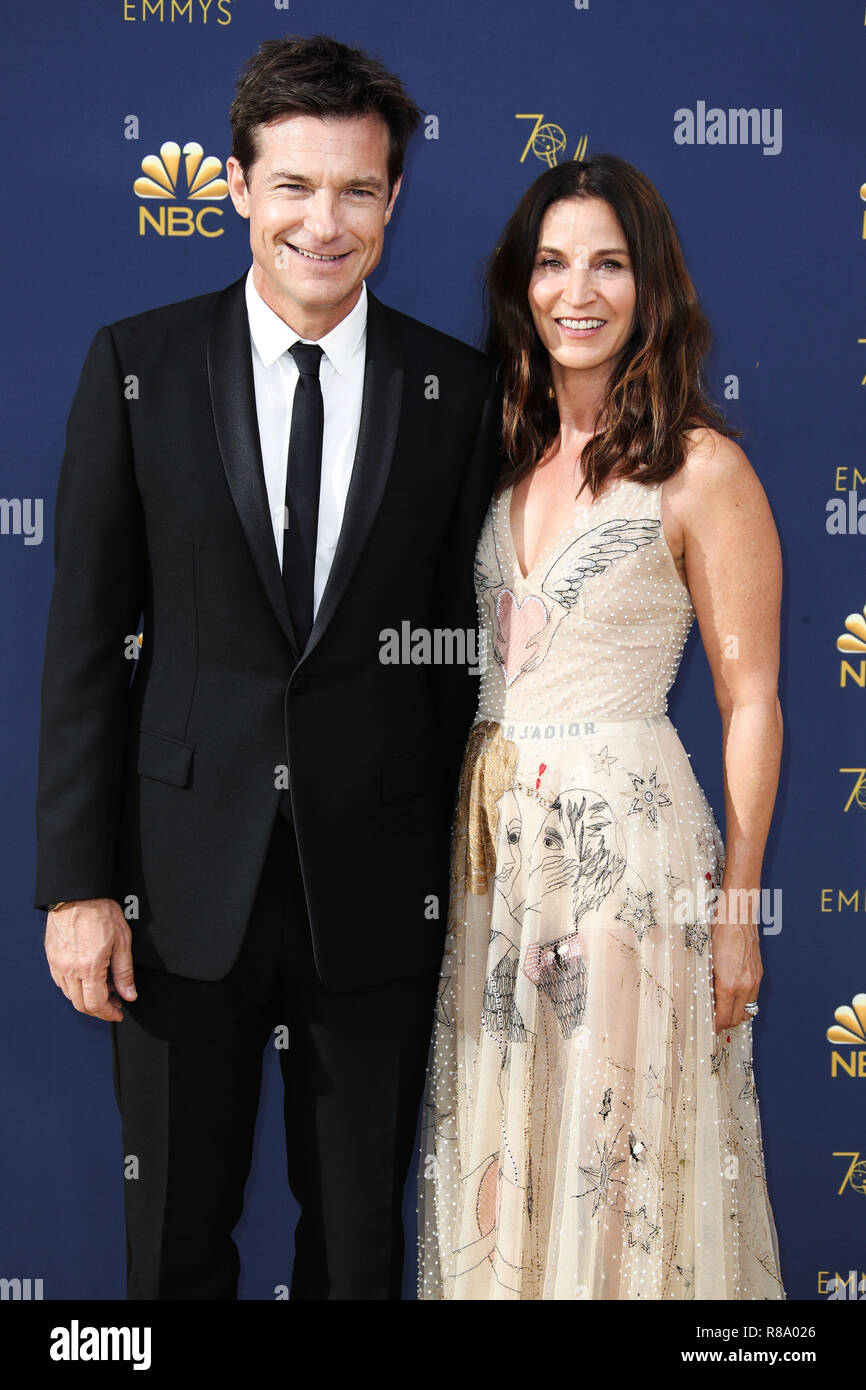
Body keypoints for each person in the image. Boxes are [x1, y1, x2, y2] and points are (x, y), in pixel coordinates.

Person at [35, 34, 499, 1300]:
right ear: (237, 187)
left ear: (394, 200)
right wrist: (76, 886)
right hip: (175, 888)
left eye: (355, 189)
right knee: (174, 1240)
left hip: (377, 892)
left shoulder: (456, 392)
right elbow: (82, 641)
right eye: (292, 185)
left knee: (356, 1250)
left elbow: (461, 661)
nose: (322, 221)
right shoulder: (137, 368)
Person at [417, 154, 785, 1300]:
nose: (578, 291)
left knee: (614, 1152)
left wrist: (735, 908)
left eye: (608, 264)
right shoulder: (491, 457)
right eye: (552, 262)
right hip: (492, 854)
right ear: (521, 286)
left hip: (627, 862)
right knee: (505, 1146)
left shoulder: (699, 468)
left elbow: (752, 698)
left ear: (649, 287)